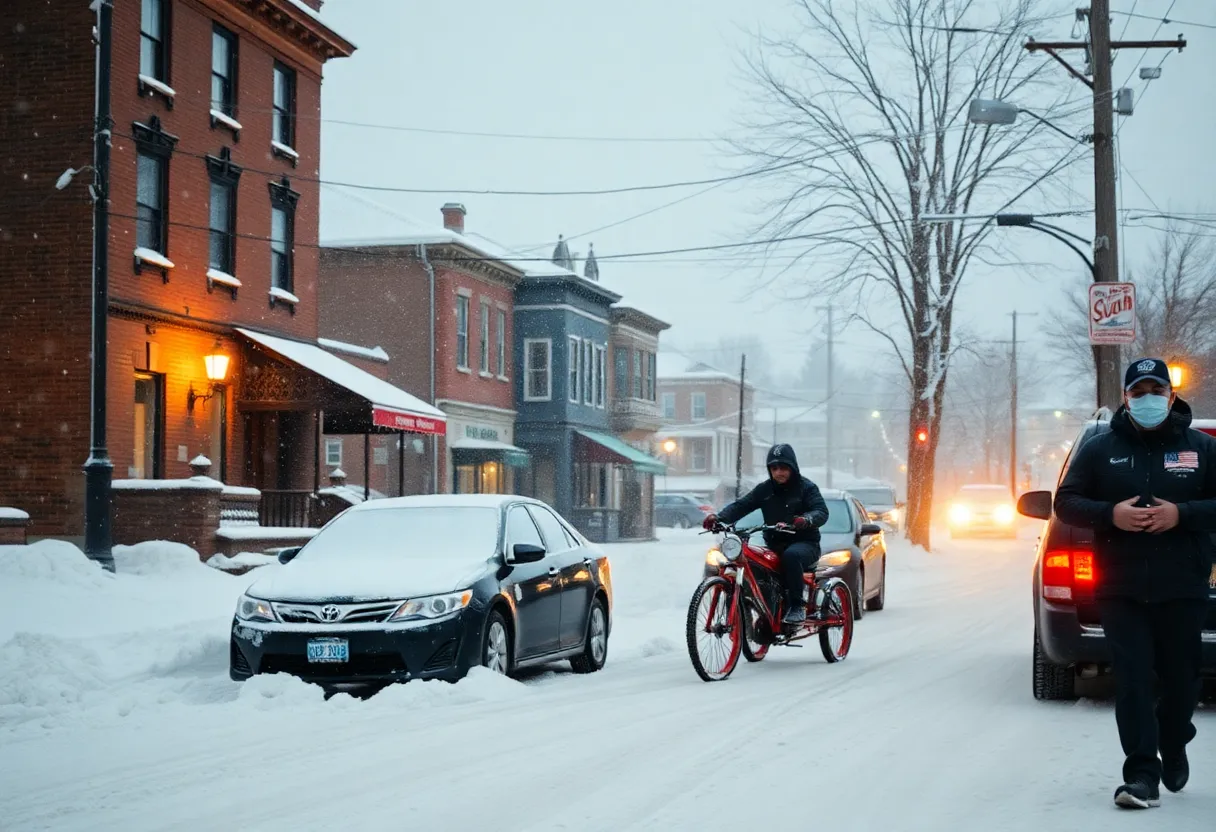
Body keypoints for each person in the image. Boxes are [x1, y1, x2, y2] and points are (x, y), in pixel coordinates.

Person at [1055, 357, 1216, 810]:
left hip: (1182, 585)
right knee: (1132, 681)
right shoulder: (1100, 448)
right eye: (1138, 391)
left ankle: (1175, 738)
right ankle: (1142, 775)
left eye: (1156, 390)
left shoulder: (1201, 449)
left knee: (1182, 679)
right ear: (1125, 398)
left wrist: (1181, 515)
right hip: (1121, 587)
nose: (1148, 399)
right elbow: (1065, 503)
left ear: (1171, 395)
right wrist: (1111, 514)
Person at [703, 443, 829, 624]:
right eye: (774, 468)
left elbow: (821, 512)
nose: (779, 472)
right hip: (775, 544)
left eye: (784, 467)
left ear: (793, 467)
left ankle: (796, 606)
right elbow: (742, 505)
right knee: (754, 561)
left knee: (791, 556)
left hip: (805, 544)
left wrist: (805, 520)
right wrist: (719, 517)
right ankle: (757, 610)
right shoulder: (765, 489)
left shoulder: (807, 488)